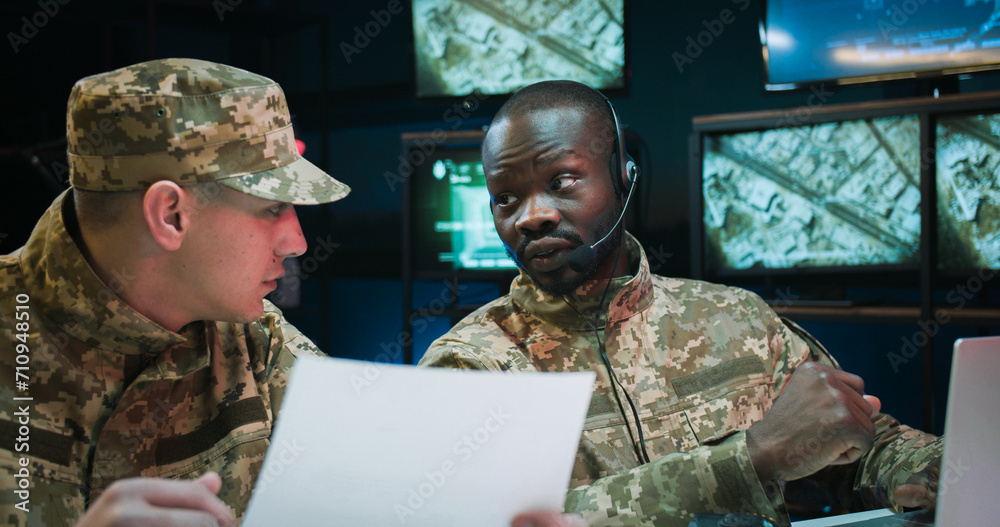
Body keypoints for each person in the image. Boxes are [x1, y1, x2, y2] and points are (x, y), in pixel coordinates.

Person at [0, 59, 584, 527]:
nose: (298, 242)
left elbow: (386, 479)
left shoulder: (253, 340)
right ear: (170, 214)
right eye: (273, 209)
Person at [418, 80, 944, 526]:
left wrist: (931, 471)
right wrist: (751, 458)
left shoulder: (736, 318)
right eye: (505, 197)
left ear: (625, 178)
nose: (531, 215)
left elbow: (859, 443)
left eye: (562, 181)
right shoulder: (469, 365)